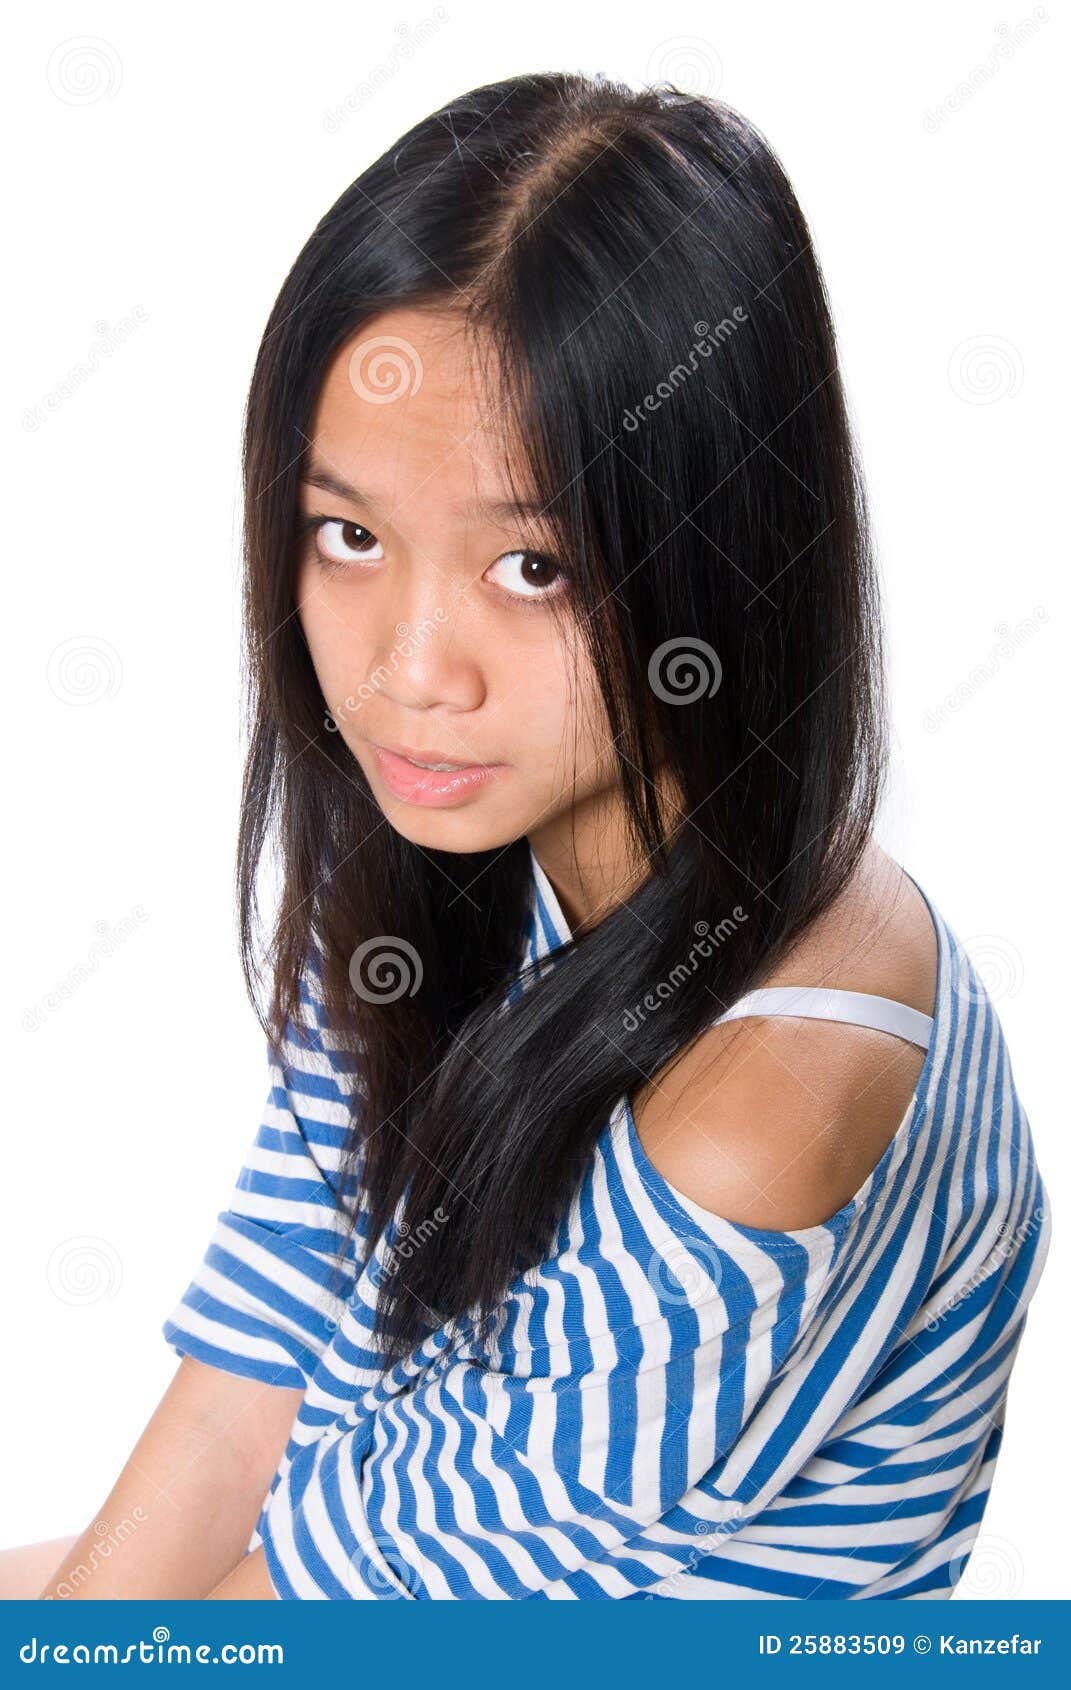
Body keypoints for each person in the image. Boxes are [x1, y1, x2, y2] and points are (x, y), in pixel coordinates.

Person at [22, 69, 1049, 1601]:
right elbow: (254, 1380)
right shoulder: (457, 832)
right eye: (349, 534)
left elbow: (354, 1613)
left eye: (533, 564)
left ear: (718, 548)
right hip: (359, 1555)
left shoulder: (766, 1092)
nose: (407, 669)